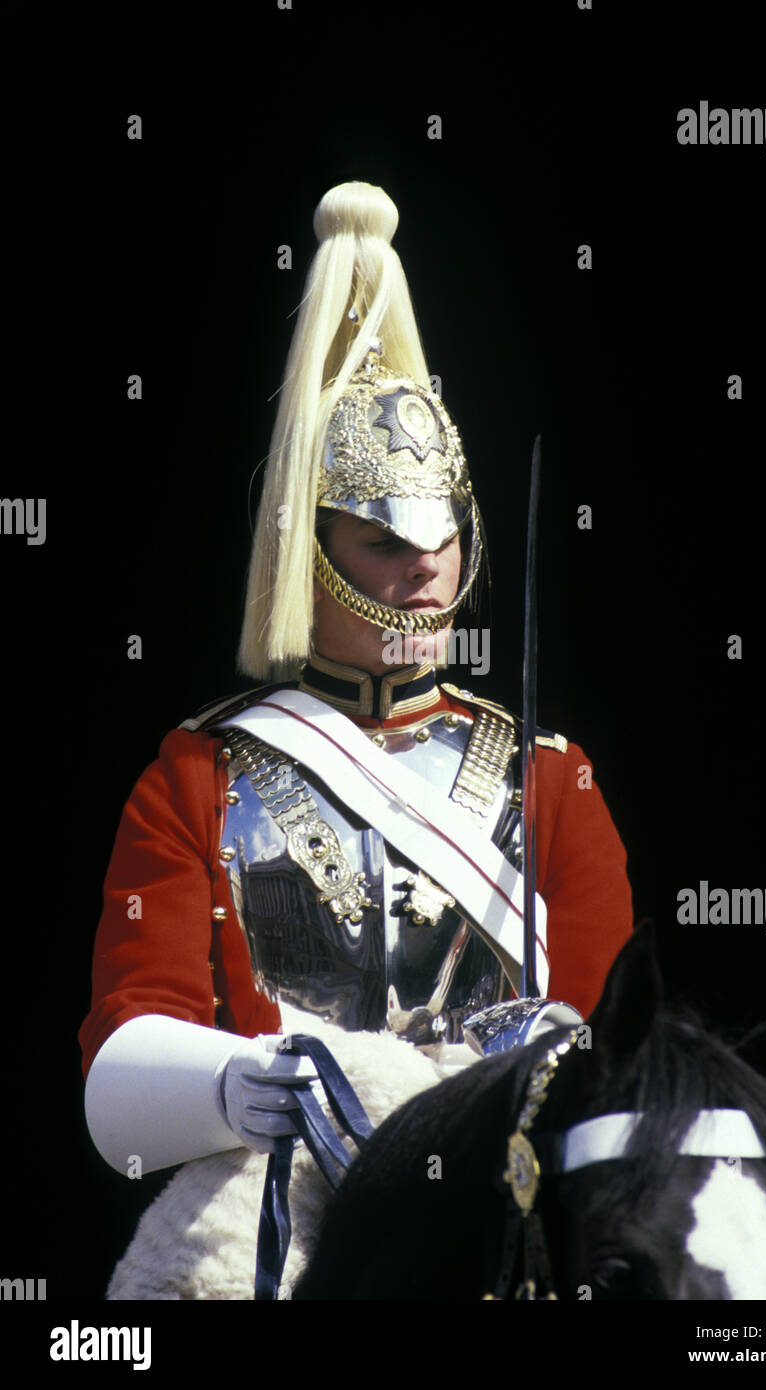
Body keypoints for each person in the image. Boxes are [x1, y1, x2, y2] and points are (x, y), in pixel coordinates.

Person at [79, 180, 633, 1179]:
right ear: (311, 553)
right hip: (277, 1181)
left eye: (442, 539)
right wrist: (227, 1085)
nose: (425, 569)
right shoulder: (200, 774)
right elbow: (121, 1075)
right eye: (384, 542)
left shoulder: (550, 777)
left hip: (484, 1195)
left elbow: (621, 1055)